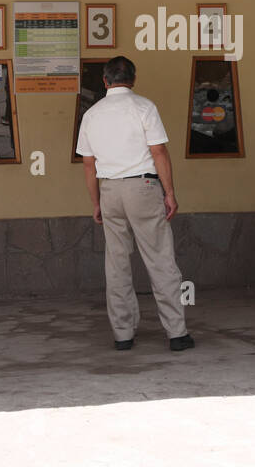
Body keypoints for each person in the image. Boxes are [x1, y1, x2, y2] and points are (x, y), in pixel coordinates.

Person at [76, 55, 193, 352]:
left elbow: (89, 166)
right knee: (160, 259)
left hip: (109, 191)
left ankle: (122, 335)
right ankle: (177, 333)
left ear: (105, 81)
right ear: (133, 79)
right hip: (143, 187)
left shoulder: (92, 115)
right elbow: (159, 153)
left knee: (116, 265)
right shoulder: (144, 107)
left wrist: (96, 202)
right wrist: (170, 193)